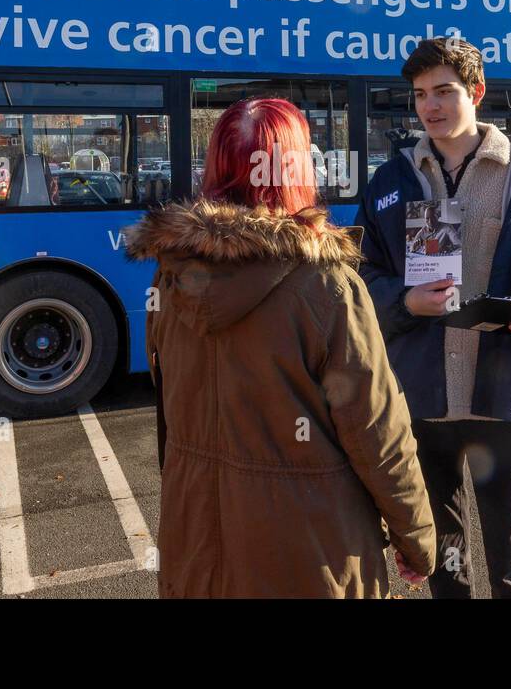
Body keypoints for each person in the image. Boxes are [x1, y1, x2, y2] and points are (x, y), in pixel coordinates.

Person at [125, 97, 435, 598]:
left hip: (194, 548)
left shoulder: (170, 275)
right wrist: (416, 537)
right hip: (312, 557)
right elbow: (376, 432)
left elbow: (169, 411)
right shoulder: (329, 287)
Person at [355, 36, 511, 599]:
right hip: (423, 402)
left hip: (503, 396)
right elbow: (359, 278)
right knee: (445, 566)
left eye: (444, 92)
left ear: (476, 93)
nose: (430, 107)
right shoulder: (391, 182)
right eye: (419, 95)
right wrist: (405, 302)